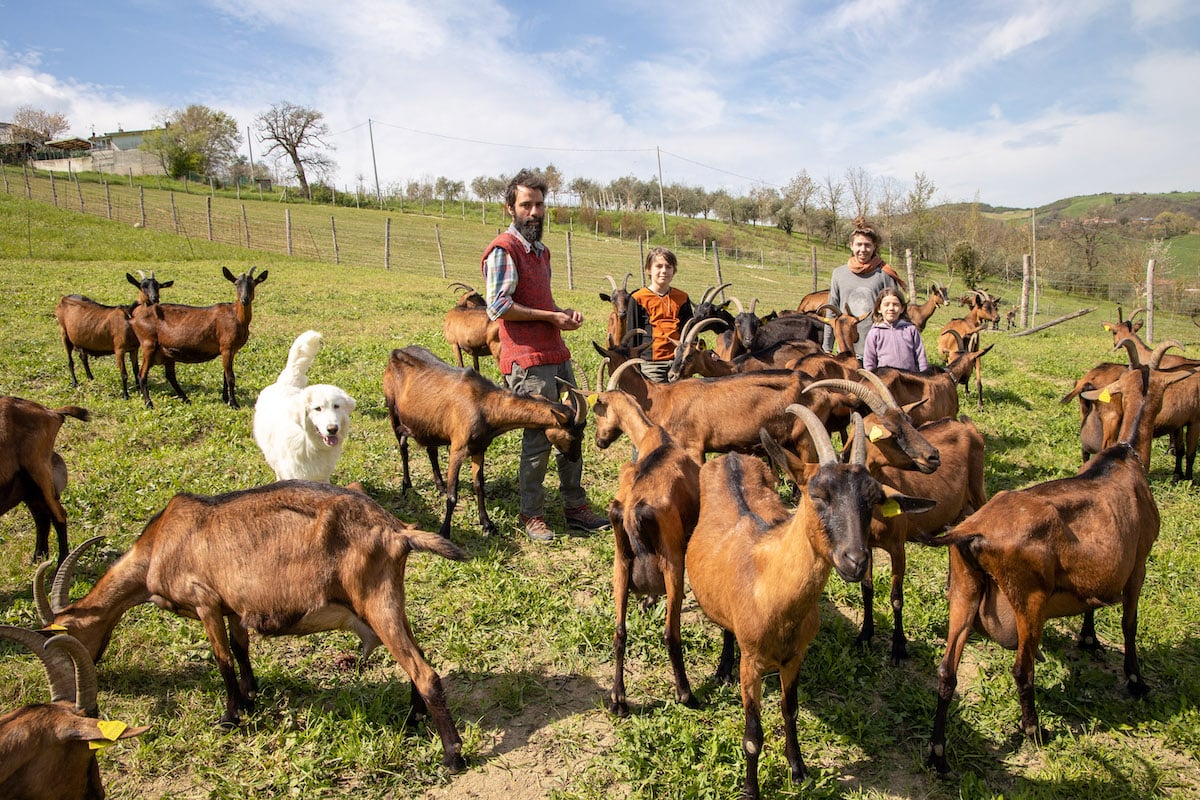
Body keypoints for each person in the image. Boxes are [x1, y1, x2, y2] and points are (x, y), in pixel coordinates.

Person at [482, 169, 610, 542]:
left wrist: (562, 315)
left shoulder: (541, 251)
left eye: (539, 204)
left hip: (555, 350)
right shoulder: (504, 250)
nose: (535, 212)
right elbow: (499, 307)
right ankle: (532, 513)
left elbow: (538, 302)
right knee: (539, 435)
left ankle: (575, 506)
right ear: (510, 207)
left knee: (574, 425)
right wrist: (548, 316)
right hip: (526, 357)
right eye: (526, 204)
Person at [823, 216, 905, 359]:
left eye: (867, 245)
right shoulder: (839, 274)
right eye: (859, 244)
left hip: (879, 349)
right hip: (846, 349)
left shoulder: (884, 275)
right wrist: (827, 347)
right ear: (851, 245)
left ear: (874, 247)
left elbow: (897, 314)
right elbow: (832, 311)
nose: (863, 249)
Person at [629, 247, 693, 383]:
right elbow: (632, 337)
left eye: (668, 267)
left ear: (674, 270)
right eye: (659, 266)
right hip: (651, 364)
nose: (664, 271)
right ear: (648, 270)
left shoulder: (682, 297)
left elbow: (690, 333)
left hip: (679, 363)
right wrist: (634, 366)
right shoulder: (638, 298)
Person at [862, 287, 928, 373]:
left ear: (902, 308)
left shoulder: (911, 330)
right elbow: (869, 363)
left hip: (909, 381)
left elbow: (921, 358)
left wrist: (924, 376)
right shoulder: (875, 333)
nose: (891, 308)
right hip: (885, 382)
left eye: (895, 304)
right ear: (879, 309)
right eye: (886, 305)